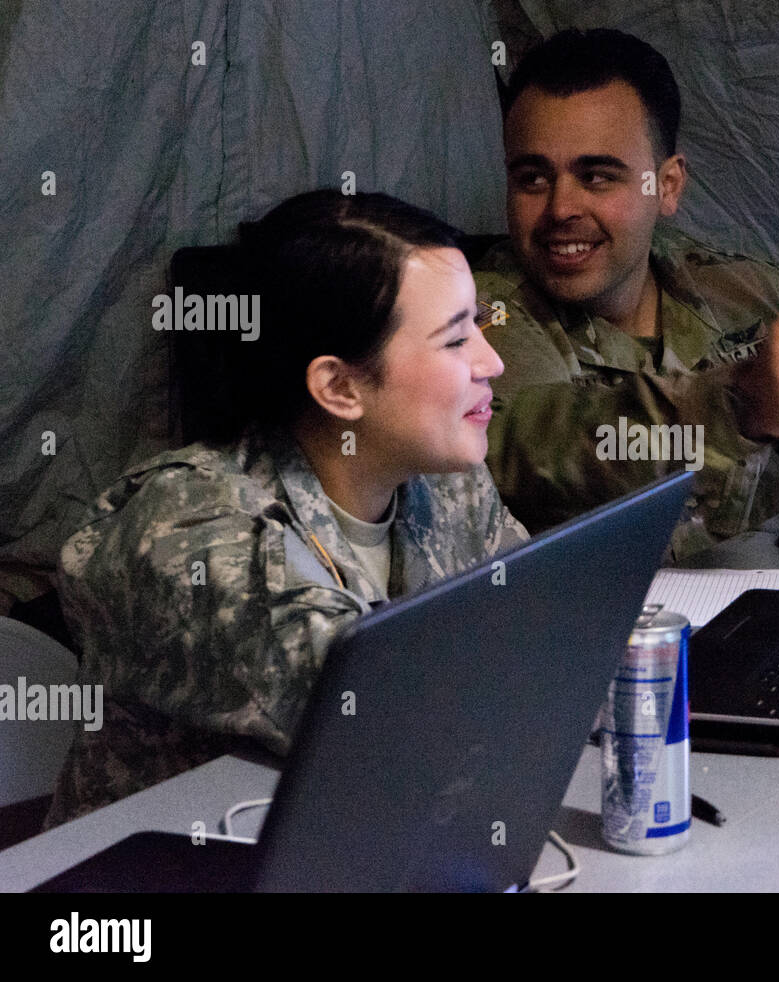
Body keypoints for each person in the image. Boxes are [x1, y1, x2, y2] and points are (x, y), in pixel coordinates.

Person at [47, 190, 526, 824]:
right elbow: (385, 716)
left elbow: (539, 632)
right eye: (455, 339)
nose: (490, 361)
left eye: (482, 325)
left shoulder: (445, 484)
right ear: (339, 386)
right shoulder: (188, 530)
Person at [475, 29, 779, 558]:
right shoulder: (478, 319)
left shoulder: (746, 293)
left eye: (598, 176)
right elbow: (542, 452)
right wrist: (737, 403)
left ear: (666, 187)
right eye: (533, 178)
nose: (561, 209)